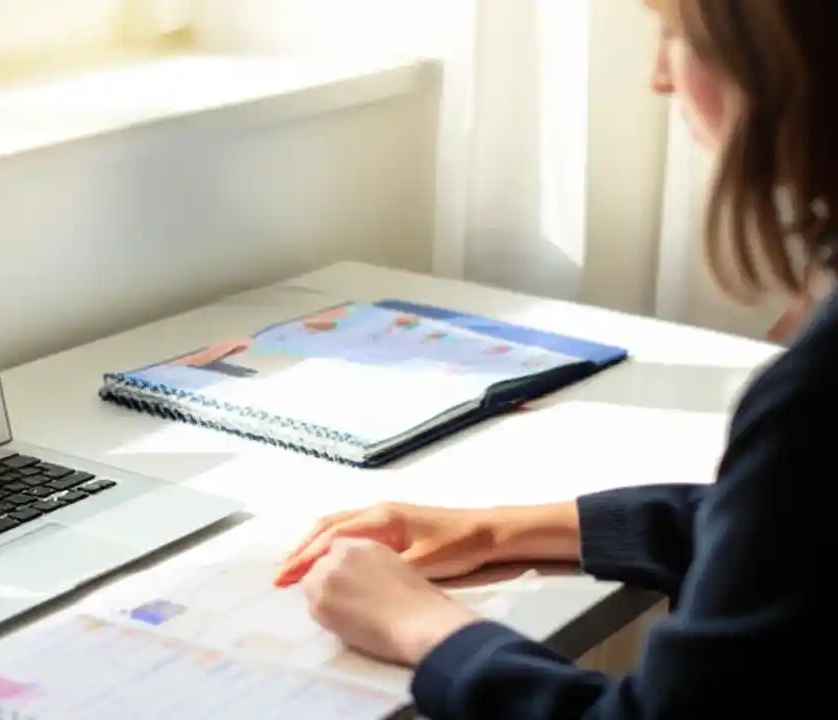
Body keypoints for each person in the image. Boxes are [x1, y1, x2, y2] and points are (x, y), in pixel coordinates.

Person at [272, 1, 836, 717]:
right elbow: (791, 538)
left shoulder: (815, 397)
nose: (660, 78)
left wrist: (420, 627)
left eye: (678, 37)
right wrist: (501, 529)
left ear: (785, 60)